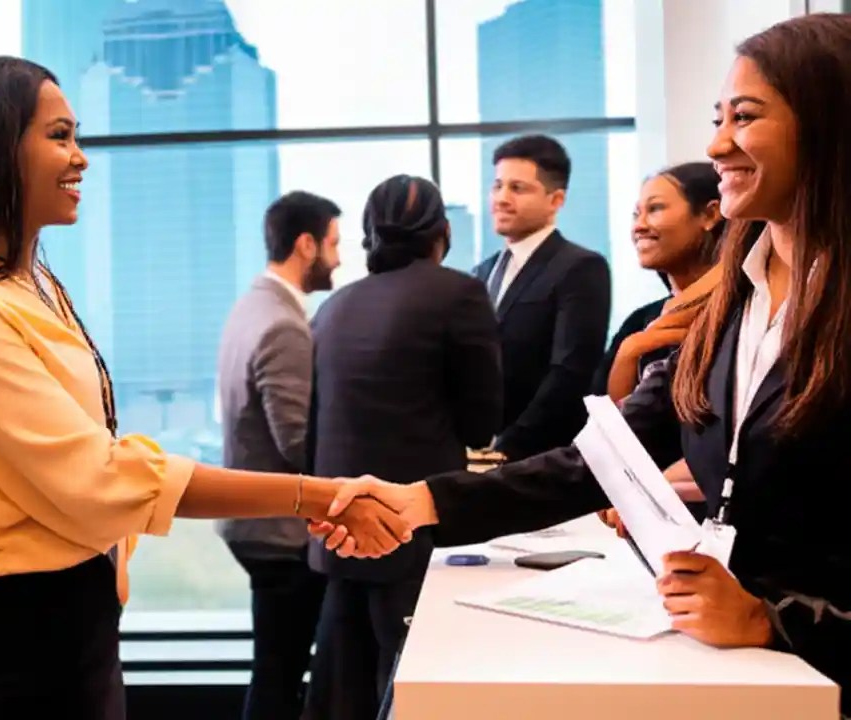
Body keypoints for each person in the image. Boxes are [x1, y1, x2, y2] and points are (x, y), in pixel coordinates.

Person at [318, 14, 851, 714]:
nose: (717, 143)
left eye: (744, 117)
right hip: (735, 680)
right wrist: (421, 502)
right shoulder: (732, 301)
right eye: (717, 117)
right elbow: (602, 458)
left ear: (827, 124)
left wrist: (771, 618)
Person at [0, 55, 412, 719]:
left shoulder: (38, 288)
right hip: (7, 638)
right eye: (58, 137)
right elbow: (96, 478)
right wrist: (315, 494)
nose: (81, 158)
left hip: (75, 617)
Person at [303, 175, 503, 719]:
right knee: (413, 694)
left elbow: (313, 424)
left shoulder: (334, 307)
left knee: (343, 694)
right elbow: (481, 423)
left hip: (338, 530)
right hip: (411, 529)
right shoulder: (460, 293)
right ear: (442, 232)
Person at [215, 190, 342, 720]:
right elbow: (297, 443)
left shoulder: (251, 307)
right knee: (279, 674)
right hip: (278, 532)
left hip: (255, 526)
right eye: (333, 244)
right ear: (306, 244)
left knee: (275, 668)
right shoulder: (284, 325)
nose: (338, 259)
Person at [473, 134, 612, 461]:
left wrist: (508, 447)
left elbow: (570, 372)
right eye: (497, 186)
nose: (501, 198)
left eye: (517, 188)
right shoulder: (482, 272)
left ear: (556, 200)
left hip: (541, 457)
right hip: (479, 456)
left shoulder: (580, 267)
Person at [593, 162, 726, 401]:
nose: (639, 226)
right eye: (636, 213)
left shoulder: (740, 313)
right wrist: (630, 353)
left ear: (709, 214)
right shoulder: (638, 323)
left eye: (655, 209)